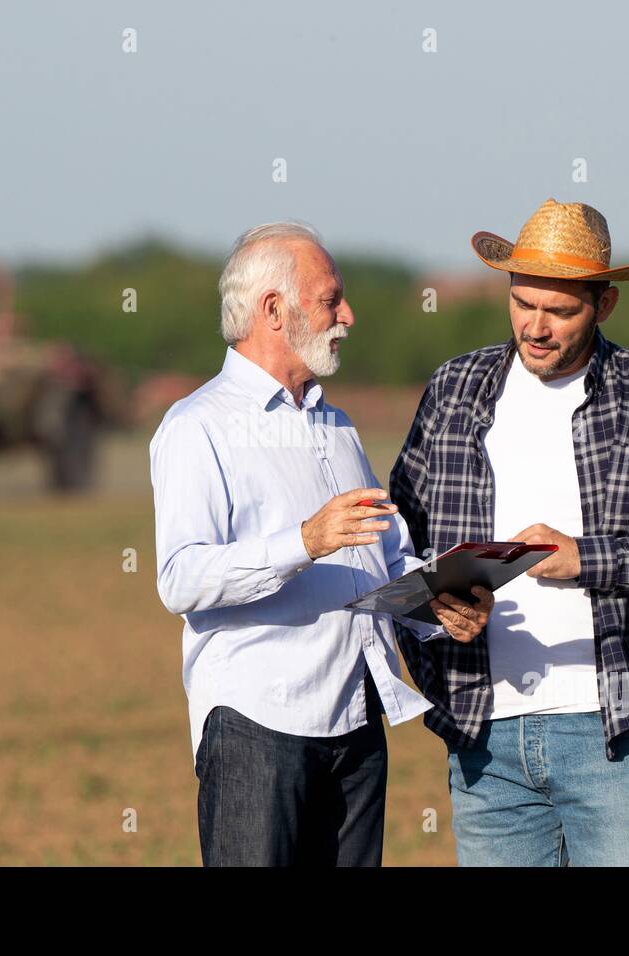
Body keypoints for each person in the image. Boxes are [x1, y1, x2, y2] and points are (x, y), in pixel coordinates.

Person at [390, 198, 629, 866]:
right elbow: (400, 540)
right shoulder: (454, 389)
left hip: (614, 738)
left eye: (560, 310)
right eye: (523, 303)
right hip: (481, 738)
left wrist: (586, 559)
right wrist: (434, 605)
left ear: (604, 305)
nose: (536, 327)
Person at [150, 221, 493, 866]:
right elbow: (180, 577)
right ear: (274, 310)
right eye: (331, 299)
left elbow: (383, 564)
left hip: (357, 720)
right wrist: (303, 541)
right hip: (258, 725)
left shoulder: (337, 426)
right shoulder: (197, 426)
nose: (348, 315)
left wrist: (442, 602)